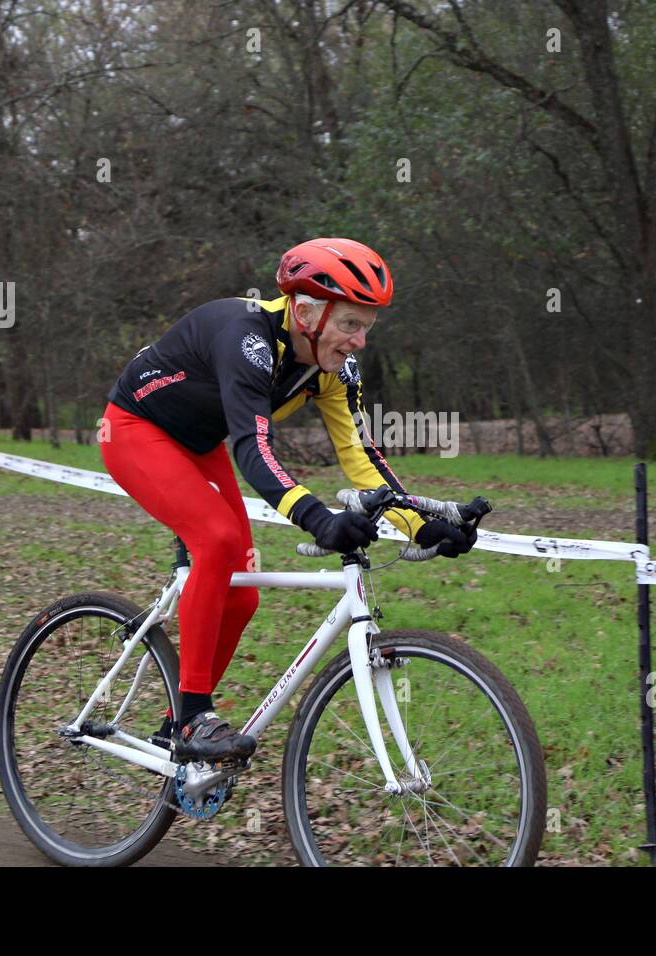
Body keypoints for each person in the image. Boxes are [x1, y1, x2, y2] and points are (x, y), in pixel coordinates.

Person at [100, 238, 477, 763]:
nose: (360, 341)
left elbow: (360, 454)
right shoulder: (248, 340)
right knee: (218, 539)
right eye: (350, 324)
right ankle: (191, 719)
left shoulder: (335, 369)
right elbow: (253, 448)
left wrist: (420, 526)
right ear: (305, 312)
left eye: (367, 326)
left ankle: (174, 723)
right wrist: (315, 517)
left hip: (199, 444)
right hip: (135, 429)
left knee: (243, 595)